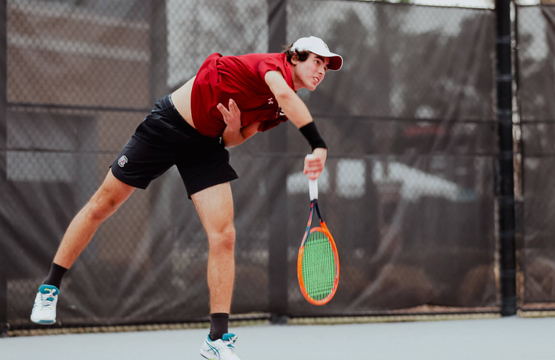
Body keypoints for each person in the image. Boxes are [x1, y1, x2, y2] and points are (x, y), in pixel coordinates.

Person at [30, 36, 343, 360]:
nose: (321, 71)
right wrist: (317, 144)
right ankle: (49, 288)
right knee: (103, 205)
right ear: (294, 57)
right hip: (168, 125)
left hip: (205, 146)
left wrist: (234, 126)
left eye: (325, 67)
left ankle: (216, 339)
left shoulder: (276, 108)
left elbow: (235, 138)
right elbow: (283, 94)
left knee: (224, 236)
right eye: (316, 62)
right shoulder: (272, 68)